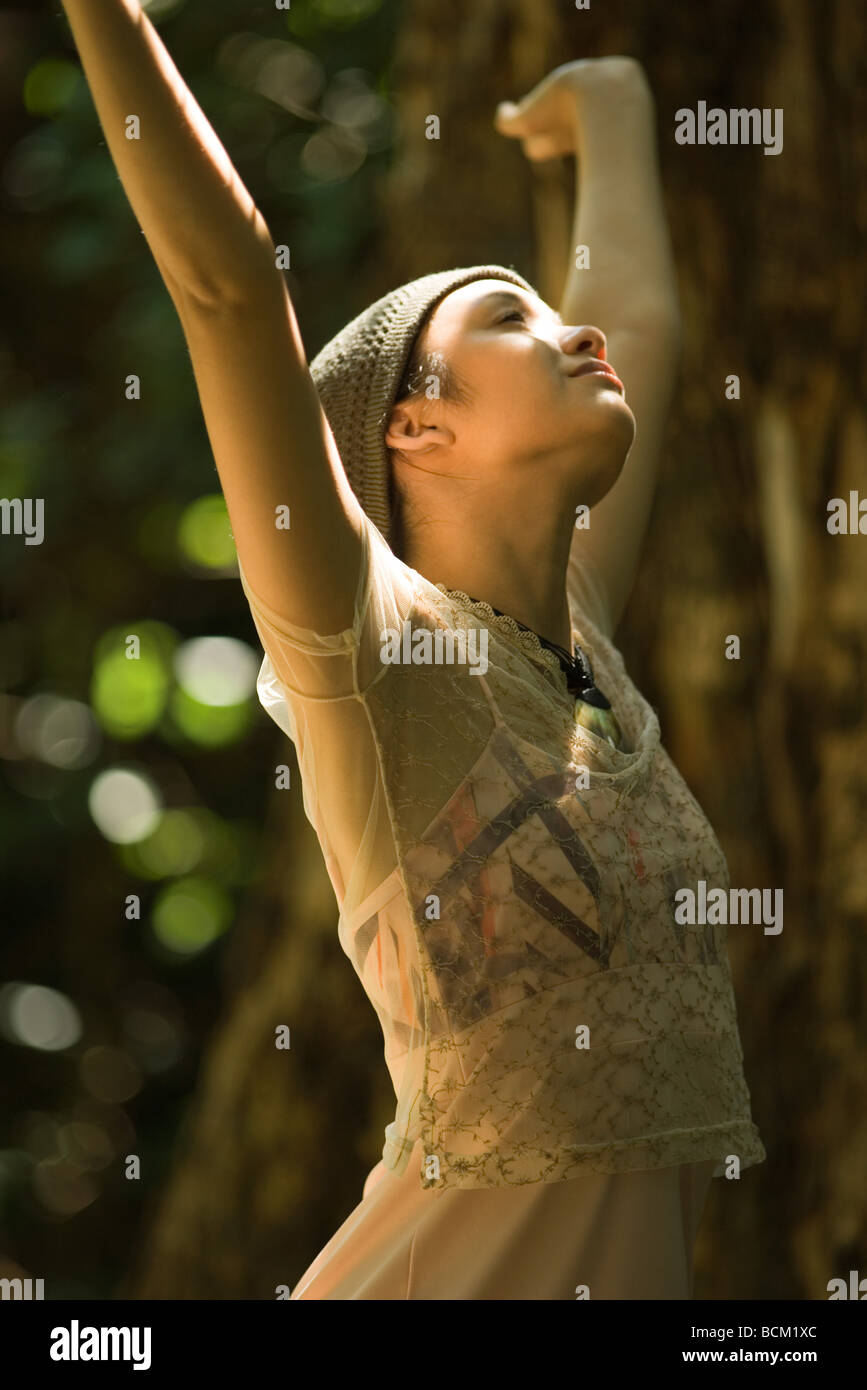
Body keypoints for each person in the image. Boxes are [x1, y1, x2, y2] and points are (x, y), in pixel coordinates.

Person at [59, 2, 765, 1300]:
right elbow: (226, 287)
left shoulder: (576, 660)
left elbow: (640, 323)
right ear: (414, 430)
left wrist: (610, 110)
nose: (575, 328)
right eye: (510, 318)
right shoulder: (383, 665)